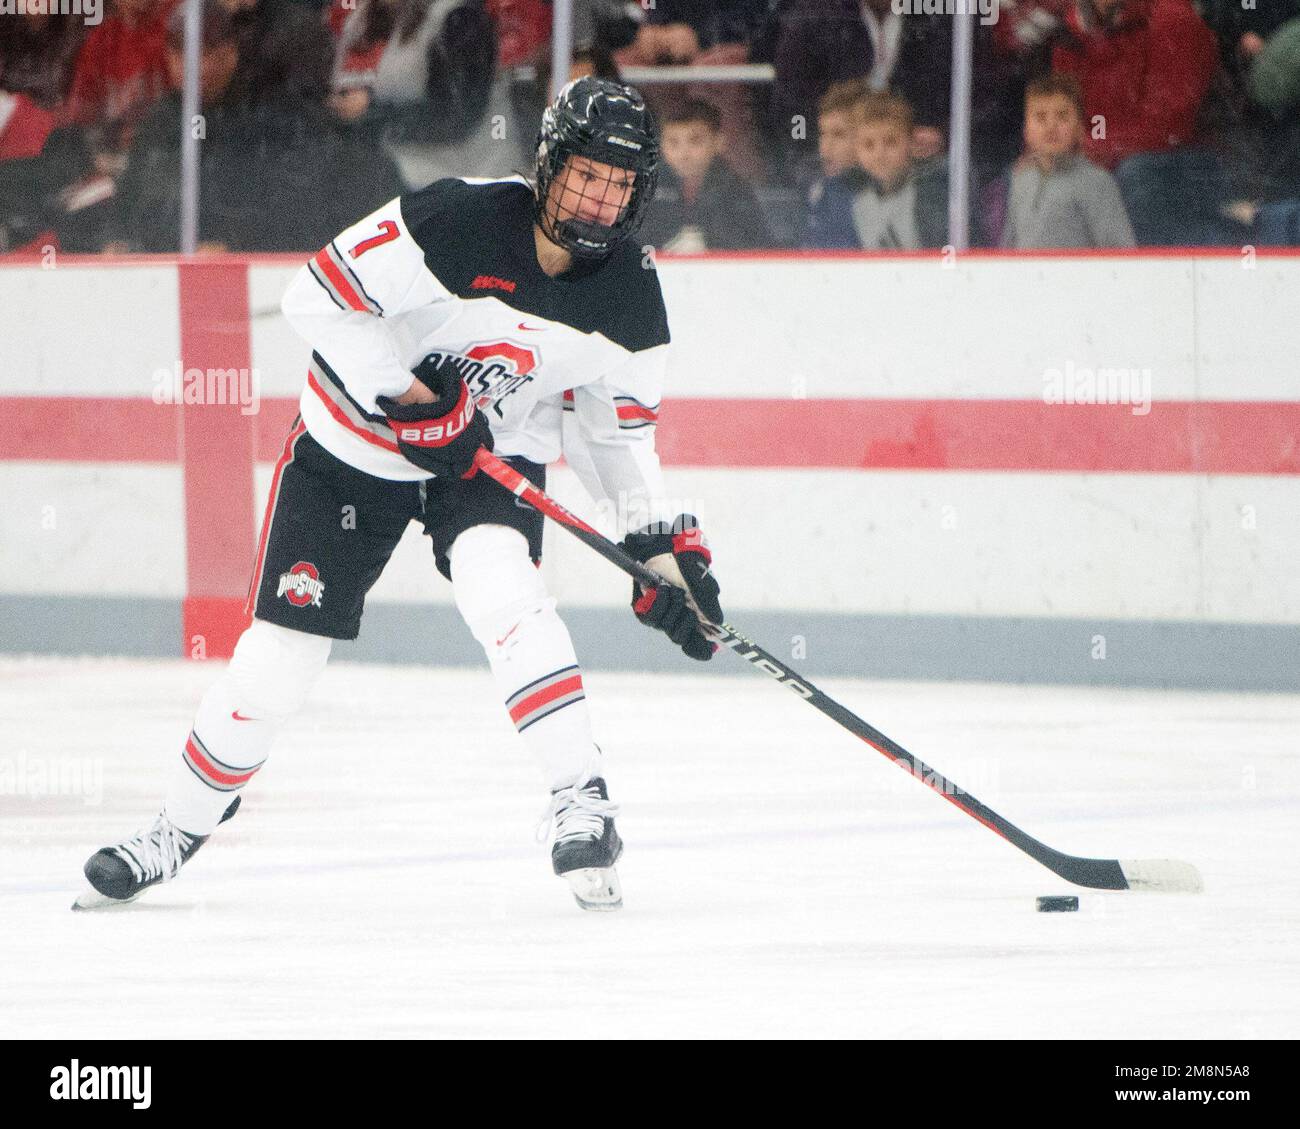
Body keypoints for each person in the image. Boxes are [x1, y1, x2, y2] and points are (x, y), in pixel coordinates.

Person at [74, 78, 724, 914]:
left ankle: (582, 798)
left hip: (482, 458)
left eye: (619, 183)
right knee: (279, 660)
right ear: (549, 165)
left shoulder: (632, 295)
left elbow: (616, 440)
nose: (599, 199)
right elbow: (316, 295)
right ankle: (176, 825)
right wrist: (417, 397)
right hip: (353, 448)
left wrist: (657, 546)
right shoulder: (456, 219)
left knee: (508, 593)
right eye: (586, 174)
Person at [996, 73, 1135, 248]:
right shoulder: (1021, 179)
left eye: (1062, 116)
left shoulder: (1096, 182)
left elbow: (1120, 251)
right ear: (1026, 131)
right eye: (1040, 117)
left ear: (1079, 129)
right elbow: (1009, 249)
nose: (1051, 125)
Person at [639, 98, 771, 251]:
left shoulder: (736, 190)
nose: (683, 154)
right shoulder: (648, 188)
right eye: (673, 142)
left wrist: (708, 246)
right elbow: (635, 241)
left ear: (718, 143)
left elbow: (755, 244)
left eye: (695, 141)